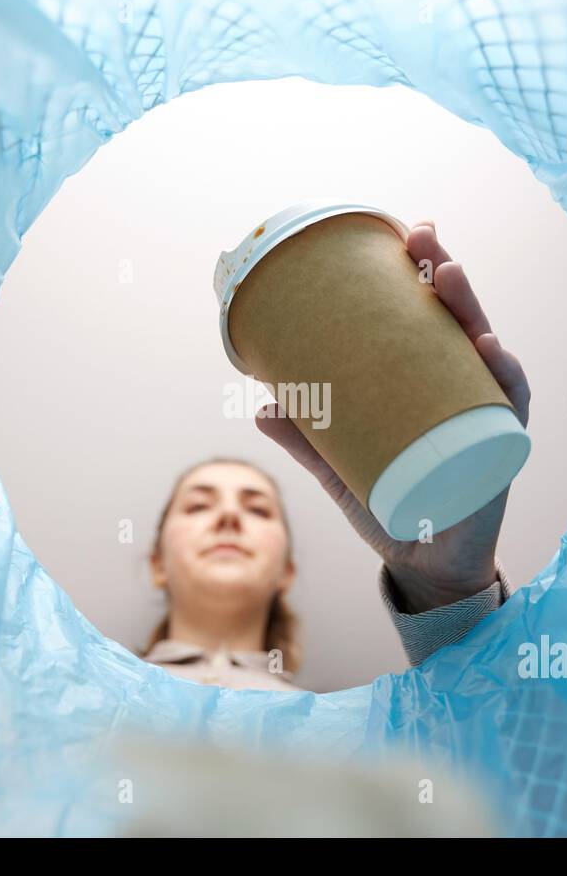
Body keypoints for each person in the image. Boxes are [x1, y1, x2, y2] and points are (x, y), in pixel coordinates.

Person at [141, 221, 530, 690]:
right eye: (199, 505)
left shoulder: (347, 734)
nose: (228, 519)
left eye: (258, 509)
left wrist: (446, 589)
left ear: (287, 569)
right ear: (157, 562)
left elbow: (495, 752)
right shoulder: (68, 699)